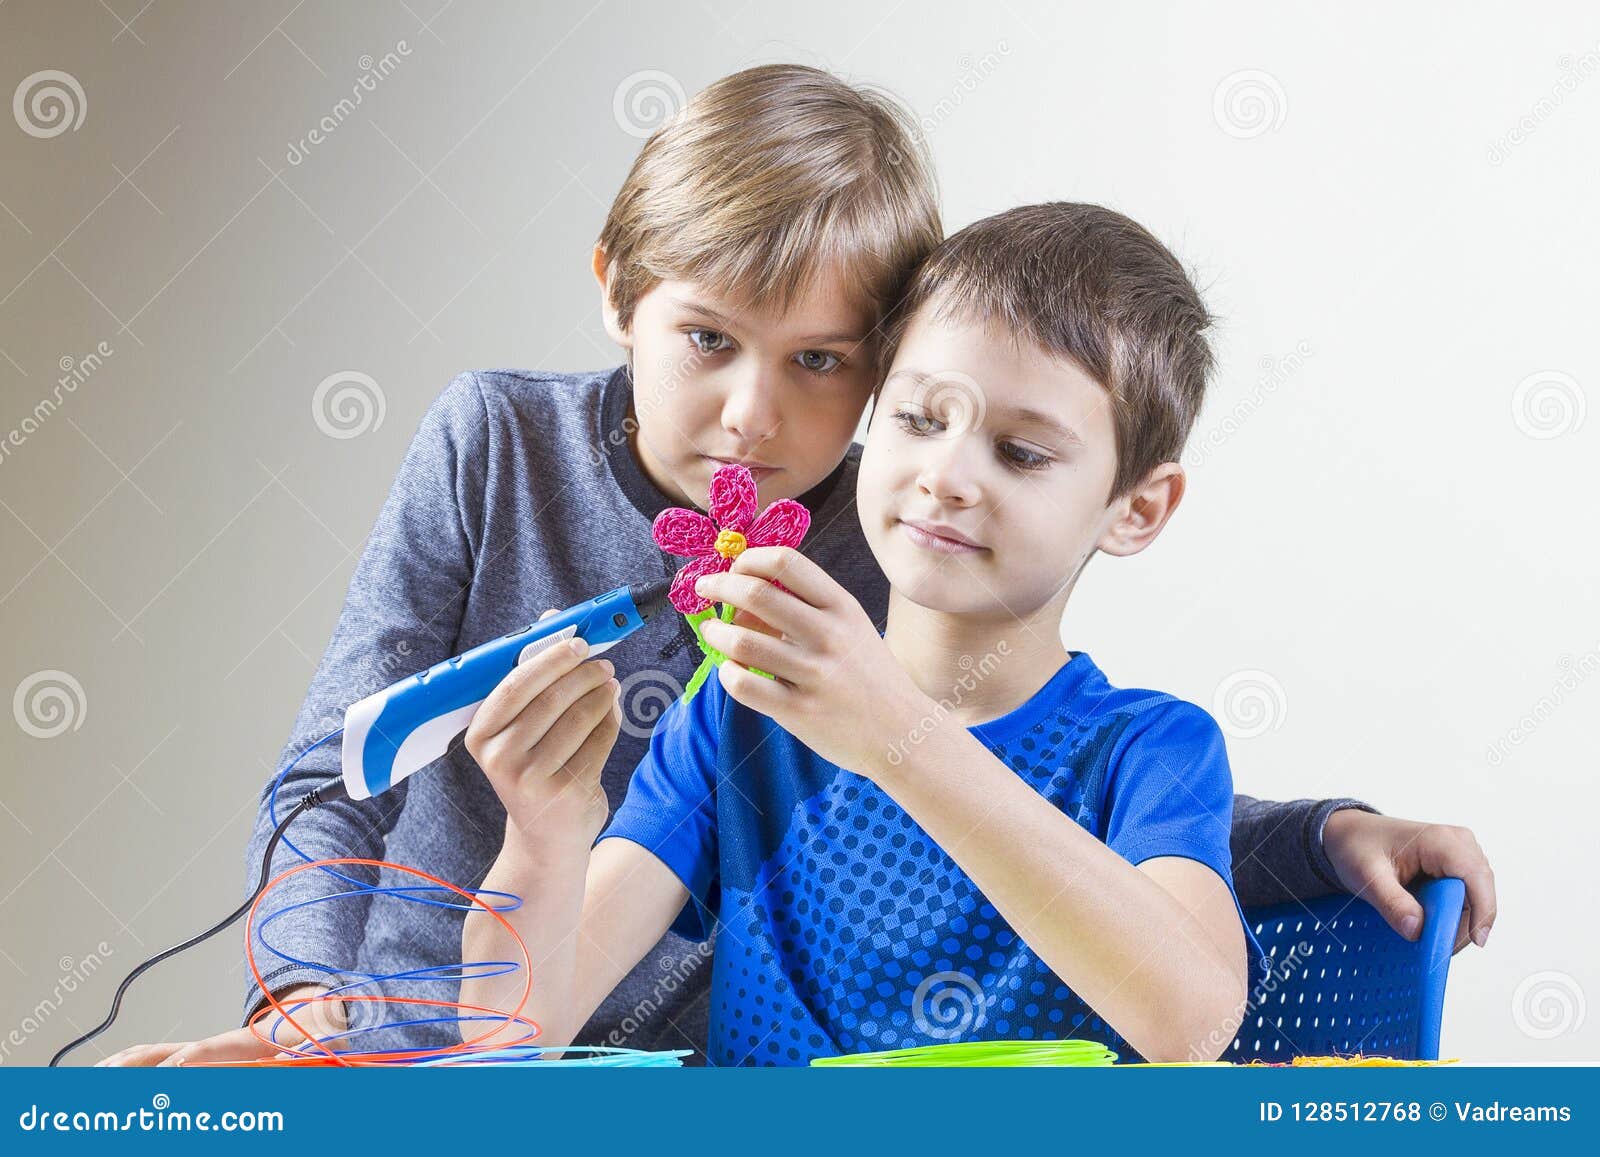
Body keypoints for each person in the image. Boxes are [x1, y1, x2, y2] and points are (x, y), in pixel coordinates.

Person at [98, 65, 1493, 1069]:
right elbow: (473, 965)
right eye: (926, 421)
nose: (759, 419)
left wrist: (1316, 834)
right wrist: (501, 857)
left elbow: (1141, 923)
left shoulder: (995, 650)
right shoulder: (608, 570)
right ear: (620, 294)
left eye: (823, 364)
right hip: (473, 1049)